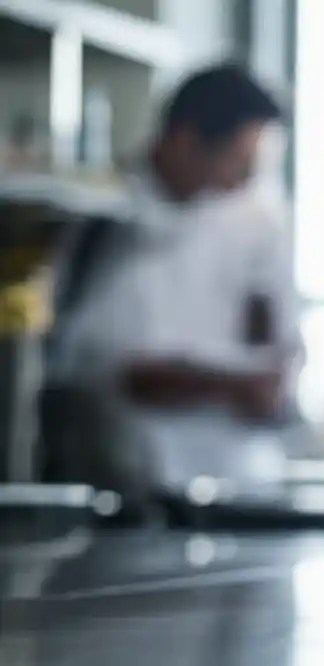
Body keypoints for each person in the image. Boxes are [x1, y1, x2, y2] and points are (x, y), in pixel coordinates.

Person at [42, 64, 302, 505]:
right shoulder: (104, 221)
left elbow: (277, 367)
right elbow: (117, 373)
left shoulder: (256, 222)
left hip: (242, 487)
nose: (242, 179)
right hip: (129, 483)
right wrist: (228, 384)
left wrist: (218, 383)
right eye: (236, 161)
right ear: (184, 141)